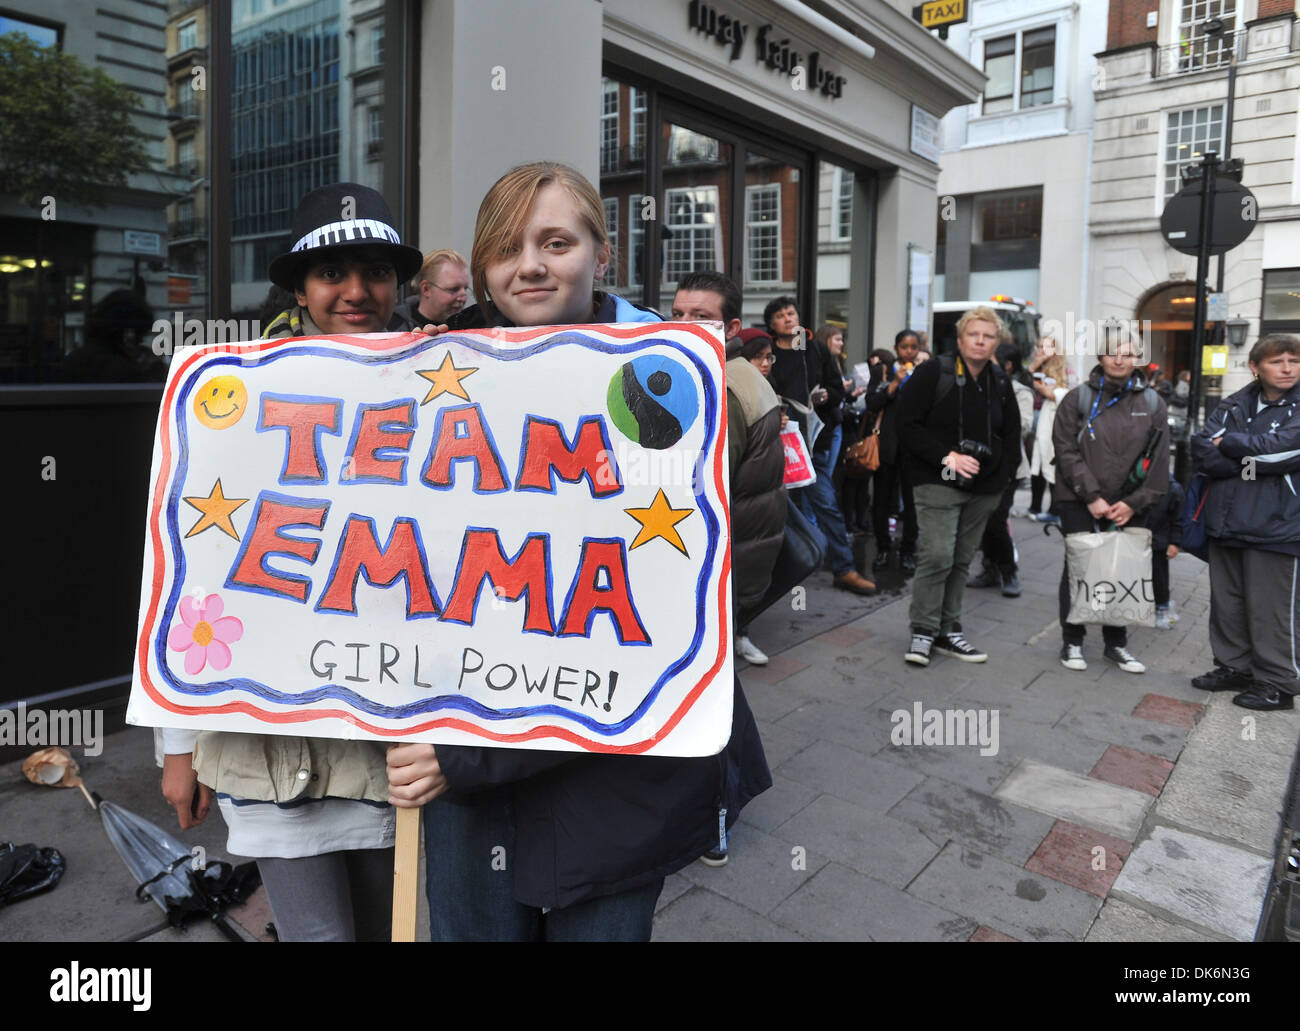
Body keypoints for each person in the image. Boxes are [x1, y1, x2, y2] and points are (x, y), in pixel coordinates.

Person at [385, 163, 771, 938]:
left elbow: (713, 605)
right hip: (466, 785)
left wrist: (471, 758)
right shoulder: (428, 384)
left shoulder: (693, 389)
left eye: (555, 241)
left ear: (603, 252)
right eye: (505, 247)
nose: (529, 264)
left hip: (621, 785)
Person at [159, 182, 425, 941]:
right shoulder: (237, 396)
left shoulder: (442, 393)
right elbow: (188, 578)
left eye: (375, 271)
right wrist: (176, 748)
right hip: (270, 753)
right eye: (331, 273)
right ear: (300, 288)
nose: (355, 291)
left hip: (387, 749)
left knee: (385, 931)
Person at [672, 272, 786, 674]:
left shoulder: (721, 385)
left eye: (699, 316)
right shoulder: (724, 372)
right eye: (677, 314)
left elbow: (702, 487)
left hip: (710, 562)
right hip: (725, 557)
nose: (683, 326)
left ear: (731, 327)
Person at [898, 307, 1021, 665]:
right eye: (974, 334)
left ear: (996, 342)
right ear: (960, 337)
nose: (980, 341)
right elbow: (906, 426)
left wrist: (1006, 475)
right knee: (938, 554)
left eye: (988, 336)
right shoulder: (933, 371)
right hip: (938, 480)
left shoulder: (999, 380)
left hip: (986, 488)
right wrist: (947, 457)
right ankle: (923, 630)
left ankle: (948, 630)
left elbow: (1012, 432)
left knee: (962, 559)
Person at [1190, 333, 1300, 711]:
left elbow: (1286, 452)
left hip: (1277, 525)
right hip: (1226, 519)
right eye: (1277, 361)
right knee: (1228, 603)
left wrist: (1234, 449)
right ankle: (1234, 668)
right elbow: (1203, 450)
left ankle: (1277, 683)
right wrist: (1246, 461)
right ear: (1256, 367)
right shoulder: (1235, 403)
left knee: (1270, 609)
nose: (1287, 368)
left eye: (1294, 361)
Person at [1052, 324, 1168, 675]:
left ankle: (1115, 644)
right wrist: (1092, 496)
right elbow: (1065, 449)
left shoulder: (1152, 402)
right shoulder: (1078, 398)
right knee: (1081, 567)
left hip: (1129, 503)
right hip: (1079, 499)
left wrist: (1135, 501)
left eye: (1128, 352)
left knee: (1122, 570)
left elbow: (1160, 459)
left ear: (1138, 359)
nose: (1120, 358)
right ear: (1101, 357)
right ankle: (1072, 639)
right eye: (1113, 351)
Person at [764, 296, 875, 595]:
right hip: (777, 440)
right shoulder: (768, 353)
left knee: (823, 501)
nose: (788, 318)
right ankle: (785, 568)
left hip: (814, 442)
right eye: (780, 316)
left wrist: (826, 397)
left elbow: (838, 390)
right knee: (783, 506)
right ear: (771, 325)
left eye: (791, 312)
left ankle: (844, 568)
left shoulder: (814, 348)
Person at [966, 341, 1035, 597]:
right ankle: (990, 568)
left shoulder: (1020, 392)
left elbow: (1025, 426)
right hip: (979, 465)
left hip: (1008, 467)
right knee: (982, 521)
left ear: (1007, 365)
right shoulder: (977, 386)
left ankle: (1009, 570)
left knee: (996, 519)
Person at [868, 330, 921, 572]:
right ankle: (882, 548)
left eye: (913, 347)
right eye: (904, 347)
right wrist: (895, 383)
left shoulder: (924, 371)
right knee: (882, 500)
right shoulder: (883, 371)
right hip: (887, 444)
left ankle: (908, 550)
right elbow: (872, 403)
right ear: (896, 348)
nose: (909, 351)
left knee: (912, 503)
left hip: (913, 448)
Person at [1027, 340, 1068, 522]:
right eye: (1040, 346)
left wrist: (1046, 391)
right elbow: (1023, 379)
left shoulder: (1065, 368)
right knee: (1035, 465)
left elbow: (1066, 393)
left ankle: (1055, 510)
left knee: (1051, 463)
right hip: (1033, 416)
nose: (1042, 350)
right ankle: (1034, 507)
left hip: (1050, 419)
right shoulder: (1036, 366)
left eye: (1046, 347)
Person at [388, 248, 471, 330]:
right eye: (454, 289)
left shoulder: (469, 328)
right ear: (426, 289)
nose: (463, 298)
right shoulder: (392, 328)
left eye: (465, 289)